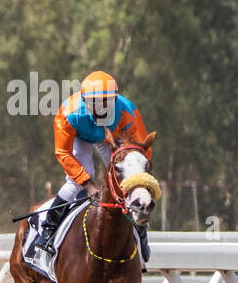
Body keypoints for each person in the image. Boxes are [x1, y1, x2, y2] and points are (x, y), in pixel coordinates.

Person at [34, 70, 151, 259]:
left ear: (116, 100)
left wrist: (136, 173)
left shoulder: (128, 111)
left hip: (109, 137)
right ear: (86, 102)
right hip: (81, 136)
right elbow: (62, 152)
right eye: (96, 104)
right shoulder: (69, 114)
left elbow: (141, 151)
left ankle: (140, 231)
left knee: (127, 177)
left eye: (107, 103)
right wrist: (87, 184)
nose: (102, 109)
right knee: (80, 177)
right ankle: (48, 229)